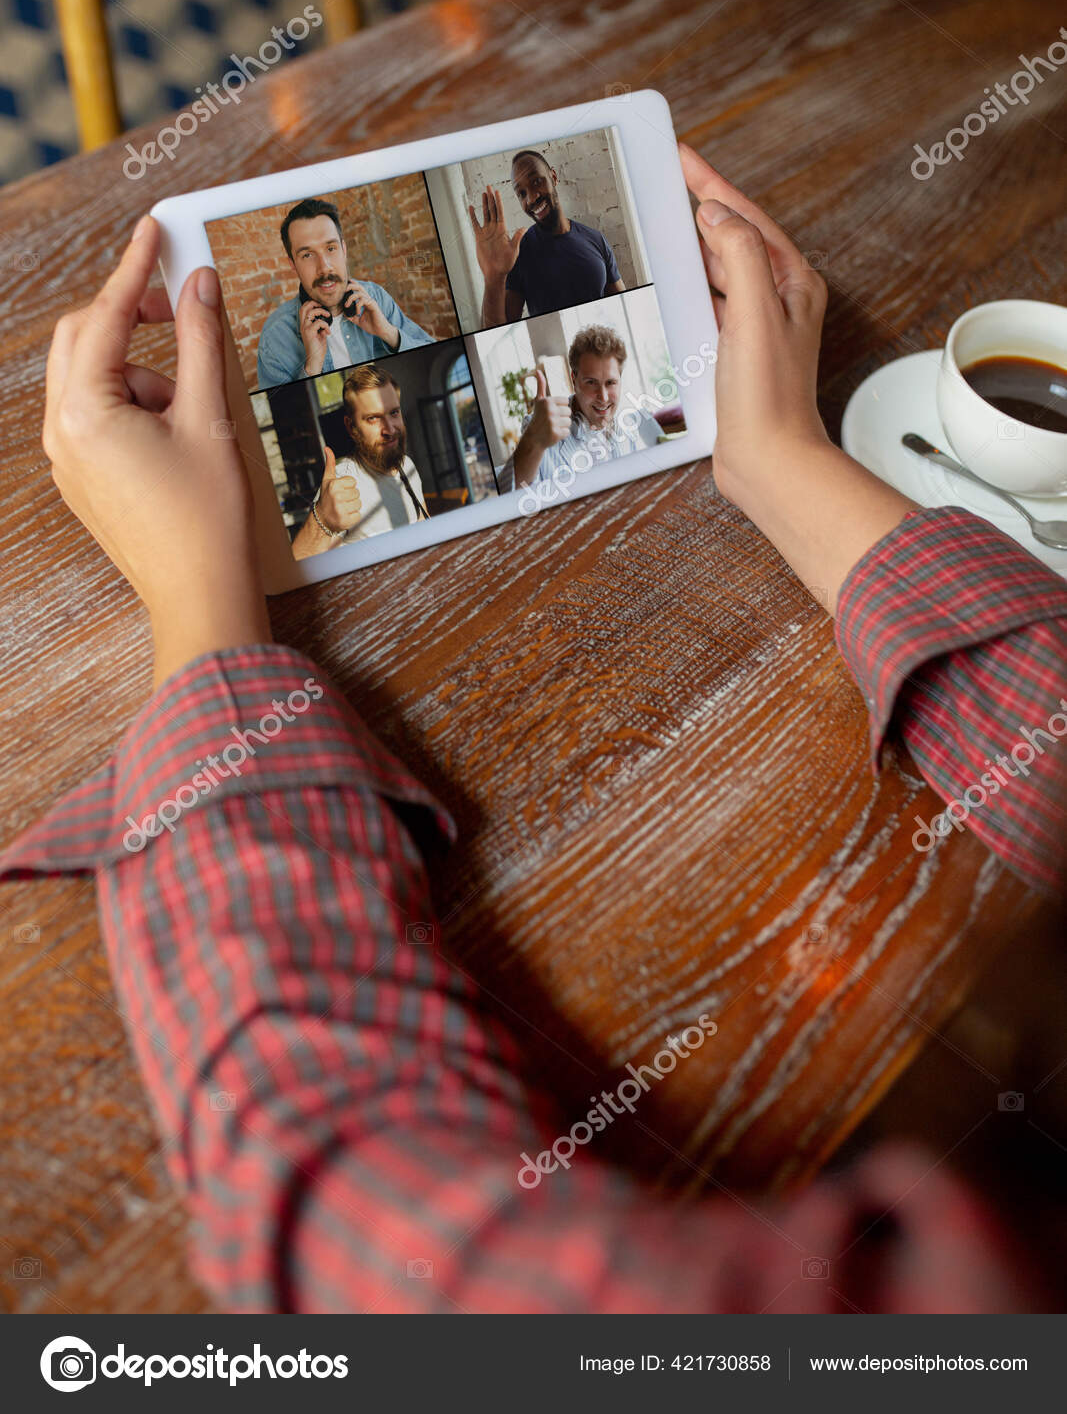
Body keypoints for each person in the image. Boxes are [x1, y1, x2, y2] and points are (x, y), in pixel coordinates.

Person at [13, 143, 1065, 1314]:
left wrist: (199, 605)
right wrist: (778, 457)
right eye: (302, 255)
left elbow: (348, 1207)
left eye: (329, 251)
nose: (320, 269)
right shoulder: (283, 343)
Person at [256, 197, 435, 389]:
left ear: (344, 249)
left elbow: (432, 353)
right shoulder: (274, 338)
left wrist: (389, 333)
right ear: (293, 264)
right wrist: (311, 368)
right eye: (307, 255)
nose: (324, 268)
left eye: (331, 248)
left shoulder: (377, 297)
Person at [497, 324, 661, 495]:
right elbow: (509, 499)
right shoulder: (539, 428)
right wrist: (533, 442)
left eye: (611, 383)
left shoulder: (630, 423)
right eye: (591, 382)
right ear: (574, 380)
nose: (603, 397)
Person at [471, 149, 625, 329]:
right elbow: (496, 333)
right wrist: (493, 278)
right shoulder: (518, 254)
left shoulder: (596, 239)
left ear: (553, 177)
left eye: (536, 181)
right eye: (521, 193)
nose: (531, 197)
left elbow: (623, 307)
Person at [291, 365, 428, 558]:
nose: (389, 429)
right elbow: (297, 567)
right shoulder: (342, 481)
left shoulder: (408, 465)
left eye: (394, 413)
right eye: (373, 418)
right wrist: (322, 519)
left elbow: (424, 526)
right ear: (351, 426)